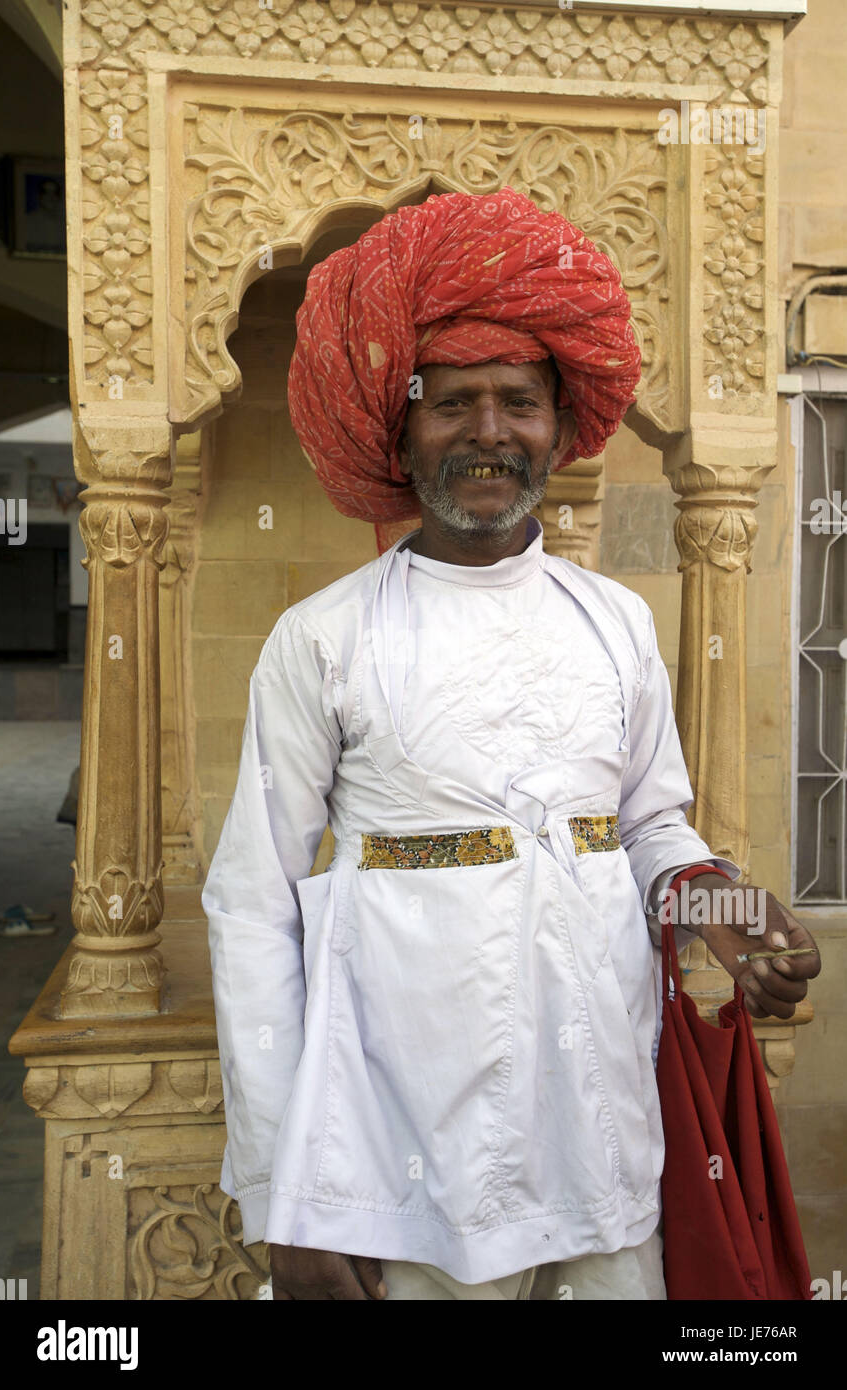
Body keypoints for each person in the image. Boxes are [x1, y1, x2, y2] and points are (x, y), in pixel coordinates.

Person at [203, 188, 820, 1301]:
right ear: (398, 430)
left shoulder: (613, 621)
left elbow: (643, 824)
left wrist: (727, 913)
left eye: (518, 403)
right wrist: (281, 1190)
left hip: (598, 1117)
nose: (488, 431)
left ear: (556, 423)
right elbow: (252, 904)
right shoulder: (325, 636)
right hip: (402, 1139)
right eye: (452, 405)